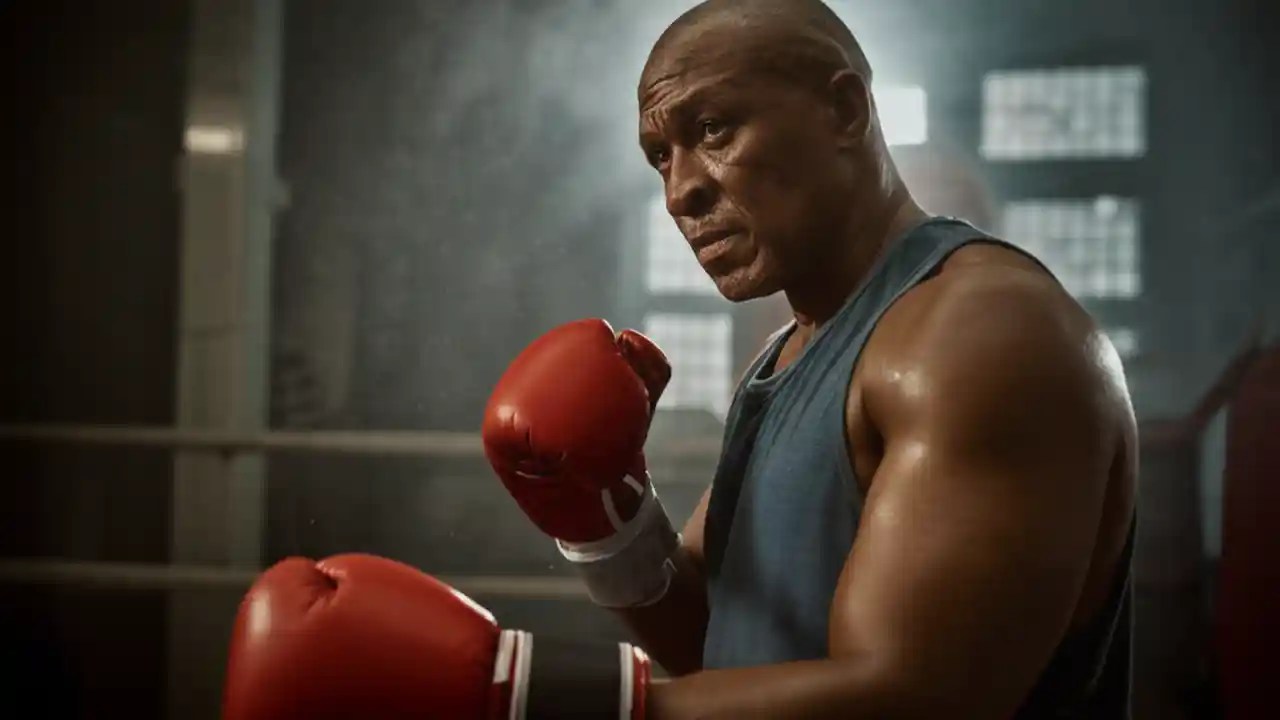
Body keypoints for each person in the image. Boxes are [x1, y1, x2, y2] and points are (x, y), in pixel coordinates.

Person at [221, 1, 1137, 717]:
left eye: (715, 129)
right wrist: (609, 522)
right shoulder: (793, 351)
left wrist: (516, 697)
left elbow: (913, 699)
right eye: (660, 155)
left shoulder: (981, 336)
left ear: (846, 109)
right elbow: (715, 639)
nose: (682, 190)